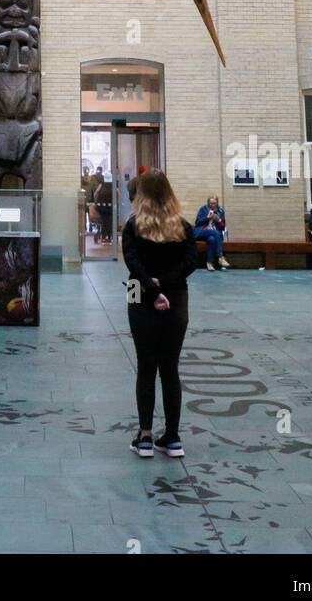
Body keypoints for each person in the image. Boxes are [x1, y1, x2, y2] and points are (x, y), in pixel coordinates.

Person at [121, 168, 197, 459]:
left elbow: (132, 263)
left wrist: (152, 288)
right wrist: (166, 286)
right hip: (177, 298)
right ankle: (173, 437)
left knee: (145, 366)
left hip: (138, 296)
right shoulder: (183, 226)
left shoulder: (132, 226)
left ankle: (144, 437)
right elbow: (192, 262)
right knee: (170, 368)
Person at [193, 194, 230, 271]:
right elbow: (197, 222)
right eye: (211, 203)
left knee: (212, 239)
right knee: (215, 233)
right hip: (201, 232)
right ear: (208, 203)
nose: (212, 205)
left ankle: (209, 263)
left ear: (217, 203)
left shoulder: (220, 211)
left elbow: (222, 227)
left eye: (214, 203)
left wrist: (219, 220)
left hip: (213, 234)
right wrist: (208, 218)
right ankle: (220, 257)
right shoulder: (203, 209)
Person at [94, 169, 113, 245]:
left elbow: (95, 194)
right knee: (108, 221)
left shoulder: (101, 185)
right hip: (109, 207)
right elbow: (118, 194)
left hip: (101, 207)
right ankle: (108, 237)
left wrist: (96, 202)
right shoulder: (112, 185)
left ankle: (104, 237)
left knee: (105, 221)